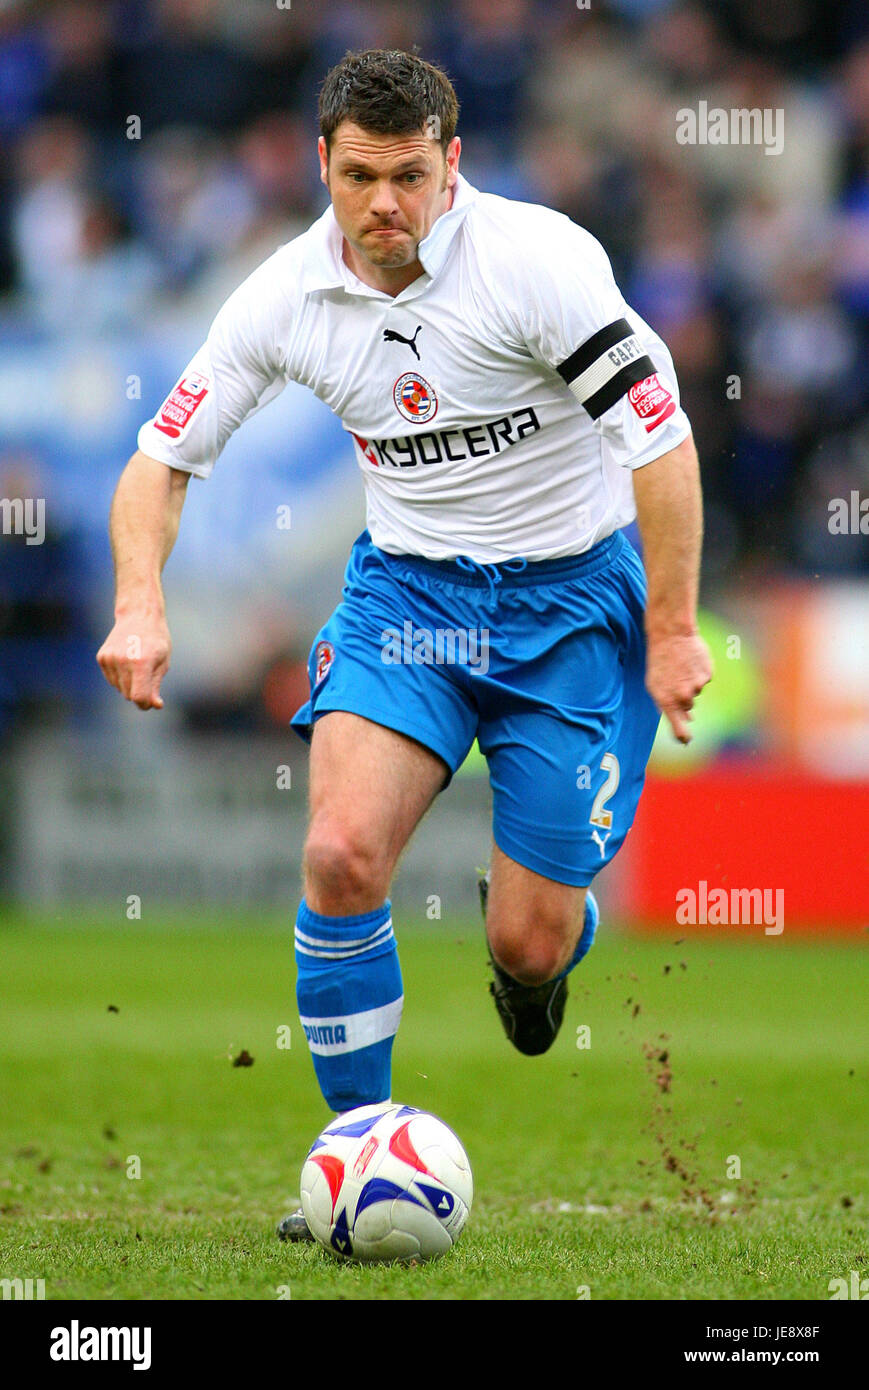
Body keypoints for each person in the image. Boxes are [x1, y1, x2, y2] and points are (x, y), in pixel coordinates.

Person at [96, 49, 712, 1241]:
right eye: (361, 175)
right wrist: (140, 601)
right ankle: (349, 1154)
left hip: (570, 605)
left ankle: (535, 950)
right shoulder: (281, 293)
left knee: (528, 946)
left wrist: (676, 629)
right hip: (406, 605)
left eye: (410, 176)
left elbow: (662, 447)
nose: (385, 204)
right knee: (337, 854)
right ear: (322, 163)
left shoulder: (537, 263)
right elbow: (158, 461)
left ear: (452, 167)